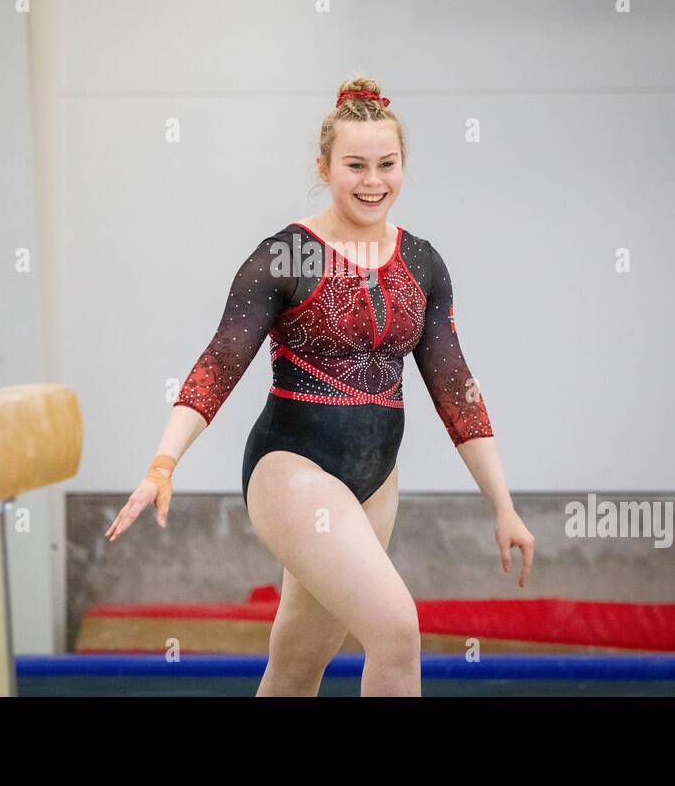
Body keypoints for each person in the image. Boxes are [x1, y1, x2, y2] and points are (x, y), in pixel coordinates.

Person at [105, 75, 535, 696]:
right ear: (325, 166)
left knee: (300, 658)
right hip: (293, 470)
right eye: (354, 165)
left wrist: (503, 505)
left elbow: (455, 388)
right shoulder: (289, 257)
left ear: (403, 165)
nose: (372, 181)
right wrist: (163, 462)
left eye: (386, 164)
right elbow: (221, 359)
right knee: (396, 629)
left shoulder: (422, 263)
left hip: (374, 479)